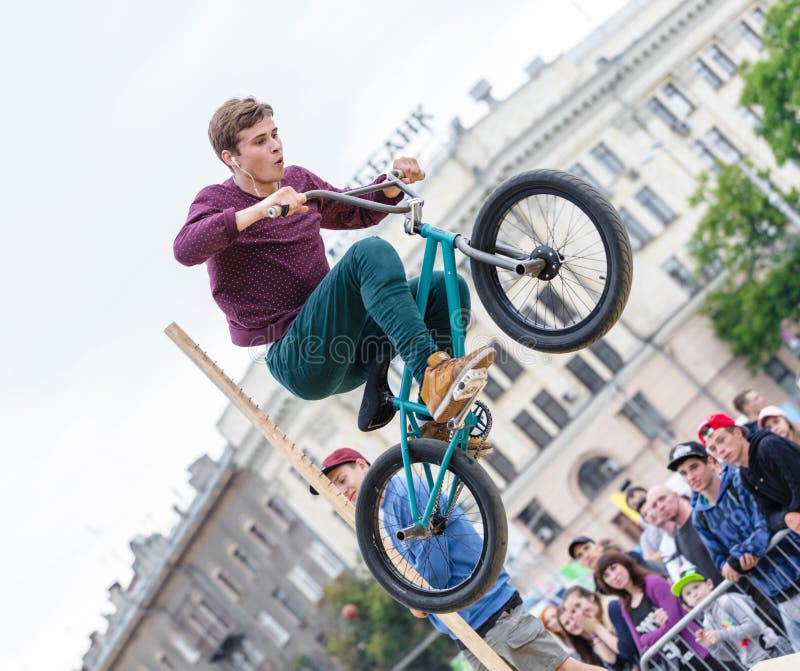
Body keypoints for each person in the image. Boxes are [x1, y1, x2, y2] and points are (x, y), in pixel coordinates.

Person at [174, 96, 496, 432]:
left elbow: (355, 209)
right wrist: (261, 209)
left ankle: (438, 417)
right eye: (260, 141)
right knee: (367, 253)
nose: (275, 146)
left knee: (446, 288)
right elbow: (186, 249)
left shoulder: (297, 182)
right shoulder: (217, 200)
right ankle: (432, 373)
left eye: (274, 134)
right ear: (231, 158)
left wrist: (392, 182)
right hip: (300, 356)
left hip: (350, 346)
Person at [313, 448, 604, 671]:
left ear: (362, 465)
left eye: (342, 479)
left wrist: (417, 599)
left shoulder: (404, 494)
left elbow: (436, 571)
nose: (342, 491)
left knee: (566, 669)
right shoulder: (387, 513)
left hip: (491, 615)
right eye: (334, 489)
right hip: (470, 631)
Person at [675, 433, 800, 650]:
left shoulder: (739, 480)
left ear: (711, 462)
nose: (690, 476)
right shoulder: (699, 516)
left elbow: (764, 524)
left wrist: (739, 557)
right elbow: (721, 562)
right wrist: (735, 562)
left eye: (694, 467)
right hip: (775, 591)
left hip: (794, 565)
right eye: (683, 473)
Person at [595, 551, 724, 671]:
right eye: (606, 576)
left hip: (700, 651)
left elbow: (674, 621)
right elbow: (641, 646)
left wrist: (649, 637)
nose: (613, 576)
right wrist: (660, 632)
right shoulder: (625, 607)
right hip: (675, 665)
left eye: (613, 568)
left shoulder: (653, 582)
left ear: (624, 563)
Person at [698, 413, 800, 535]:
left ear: (737, 433)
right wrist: (786, 517)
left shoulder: (769, 445)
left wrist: (788, 515)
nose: (720, 450)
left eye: (721, 440)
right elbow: (769, 516)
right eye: (713, 449)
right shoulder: (744, 475)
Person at [672, 569, 789, 668]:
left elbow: (754, 627)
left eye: (696, 587)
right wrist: (712, 646)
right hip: (754, 664)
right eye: (688, 594)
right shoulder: (707, 622)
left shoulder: (727, 600)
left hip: (773, 651)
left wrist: (722, 634)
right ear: (687, 603)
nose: (694, 594)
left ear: (709, 584)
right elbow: (730, 655)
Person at [644, 486, 723, 586]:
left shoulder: (702, 516)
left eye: (662, 498)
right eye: (654, 506)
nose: (660, 506)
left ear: (676, 496)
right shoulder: (676, 537)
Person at [558, 585, 639, 671]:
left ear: (590, 597)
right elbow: (616, 665)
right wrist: (595, 634)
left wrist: (597, 628)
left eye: (578, 605)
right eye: (573, 612)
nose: (579, 613)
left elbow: (628, 650)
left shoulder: (612, 607)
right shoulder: (596, 622)